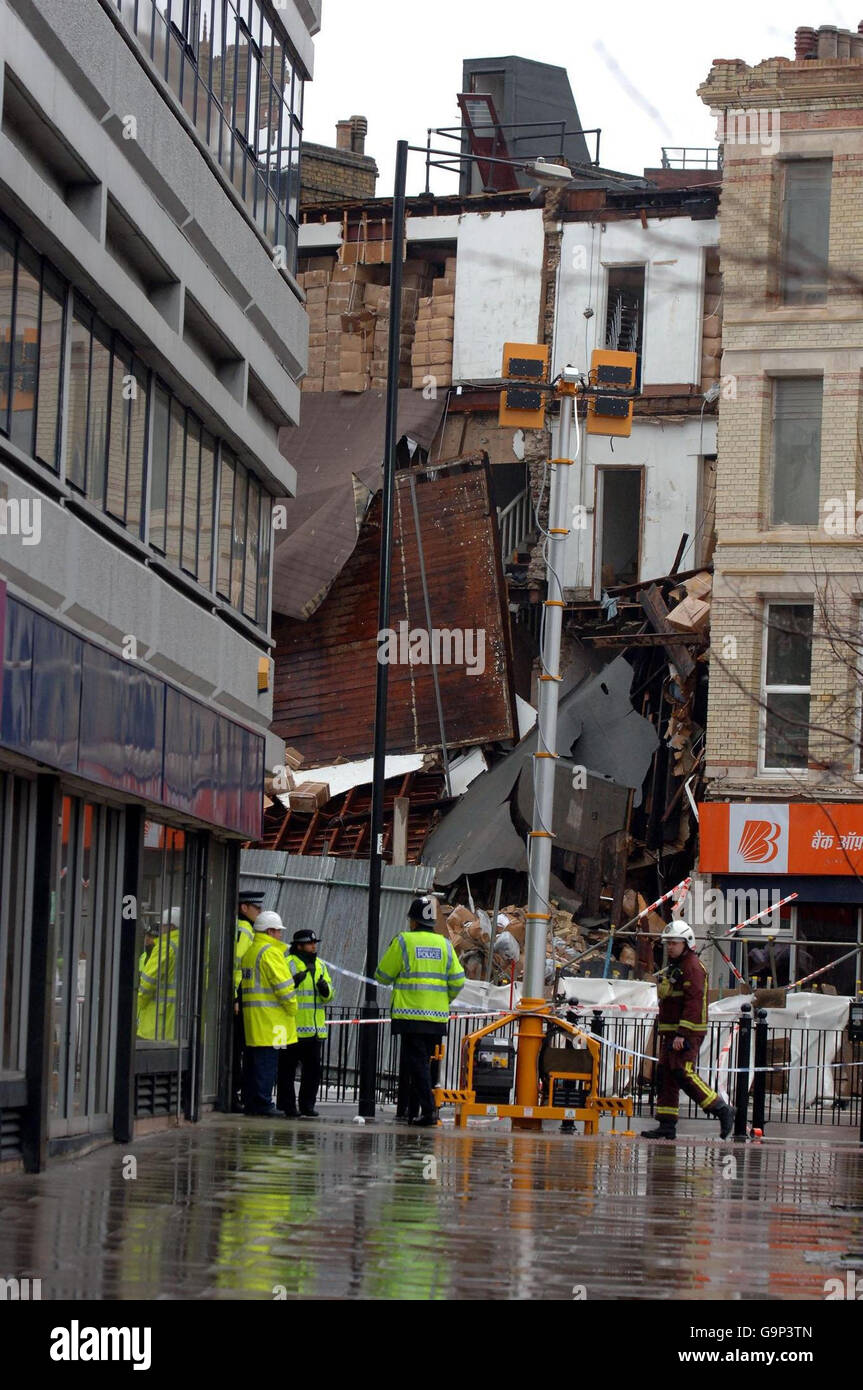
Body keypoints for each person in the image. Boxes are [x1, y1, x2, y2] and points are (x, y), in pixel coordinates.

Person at [375, 895, 465, 1127]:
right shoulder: (444, 944)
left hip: (410, 1015)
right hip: (436, 1017)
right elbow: (457, 980)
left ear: (413, 921)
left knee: (416, 1064)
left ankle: (427, 1111)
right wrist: (444, 999)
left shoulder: (404, 941)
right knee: (425, 1063)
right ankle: (415, 1111)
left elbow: (382, 975)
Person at [642, 920, 735, 1140]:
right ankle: (667, 1124)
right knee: (667, 1075)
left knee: (683, 1072)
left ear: (687, 943)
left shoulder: (692, 968)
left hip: (686, 1033)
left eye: (674, 943)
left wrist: (682, 1034)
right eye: (668, 944)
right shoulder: (677, 966)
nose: (670, 947)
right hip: (672, 1033)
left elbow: (694, 1003)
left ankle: (721, 1109)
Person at [240, 910, 298, 1116]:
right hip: (275, 1021)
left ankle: (252, 1101)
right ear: (270, 931)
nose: (281, 935)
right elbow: (283, 987)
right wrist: (293, 1007)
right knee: (268, 1064)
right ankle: (263, 1103)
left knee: (254, 1063)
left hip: (255, 1018)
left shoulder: (250, 951)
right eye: (279, 931)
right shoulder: (271, 952)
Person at [277, 929, 334, 1118]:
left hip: (316, 1030)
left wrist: (325, 990)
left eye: (314, 943)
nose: (314, 946)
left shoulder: (320, 965)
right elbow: (280, 992)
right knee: (287, 1070)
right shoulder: (288, 963)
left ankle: (307, 1106)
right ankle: (287, 1106)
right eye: (310, 944)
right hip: (292, 1028)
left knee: (313, 1072)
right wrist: (294, 983)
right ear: (299, 945)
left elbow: (329, 996)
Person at [233, 892, 266, 1112]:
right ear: (244, 908)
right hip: (237, 998)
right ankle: (235, 1095)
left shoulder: (242, 929)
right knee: (237, 1050)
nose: (260, 913)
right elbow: (236, 964)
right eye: (257, 908)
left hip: (236, 995)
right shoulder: (244, 930)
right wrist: (235, 996)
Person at [137, 908, 180, 1040]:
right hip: (176, 1022)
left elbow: (147, 982)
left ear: (171, 926)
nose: (161, 928)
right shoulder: (186, 944)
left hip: (156, 1020)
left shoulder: (165, 946)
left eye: (163, 925)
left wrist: (139, 1004)